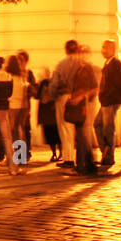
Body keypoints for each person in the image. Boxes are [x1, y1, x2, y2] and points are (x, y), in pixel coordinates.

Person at [48, 41, 85, 170]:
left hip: (63, 98)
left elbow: (54, 83)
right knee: (76, 130)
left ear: (66, 50)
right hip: (78, 98)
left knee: (64, 129)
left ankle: (69, 158)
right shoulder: (82, 63)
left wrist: (53, 97)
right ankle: (78, 157)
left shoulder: (62, 64)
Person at [65, 49, 100, 175]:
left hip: (85, 105)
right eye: (80, 53)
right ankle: (86, 165)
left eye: (85, 52)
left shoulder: (88, 68)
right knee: (81, 136)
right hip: (78, 105)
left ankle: (84, 166)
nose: (81, 55)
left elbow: (95, 88)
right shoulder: (79, 68)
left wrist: (81, 97)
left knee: (83, 135)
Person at [98, 39, 121, 168]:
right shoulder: (107, 63)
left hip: (110, 101)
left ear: (112, 49)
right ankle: (105, 150)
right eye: (103, 47)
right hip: (105, 100)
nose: (103, 50)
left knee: (108, 128)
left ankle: (109, 156)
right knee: (98, 124)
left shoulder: (115, 63)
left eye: (105, 47)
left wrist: (114, 98)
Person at [6, 54, 30, 166]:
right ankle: (22, 157)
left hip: (12, 106)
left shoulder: (9, 77)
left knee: (12, 132)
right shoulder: (22, 76)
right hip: (23, 106)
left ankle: (16, 156)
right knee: (20, 130)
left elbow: (8, 93)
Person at [34, 68, 61, 162]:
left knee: (51, 134)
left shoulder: (44, 83)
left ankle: (55, 153)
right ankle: (59, 153)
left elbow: (37, 96)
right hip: (51, 111)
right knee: (56, 134)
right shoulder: (54, 83)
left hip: (47, 111)